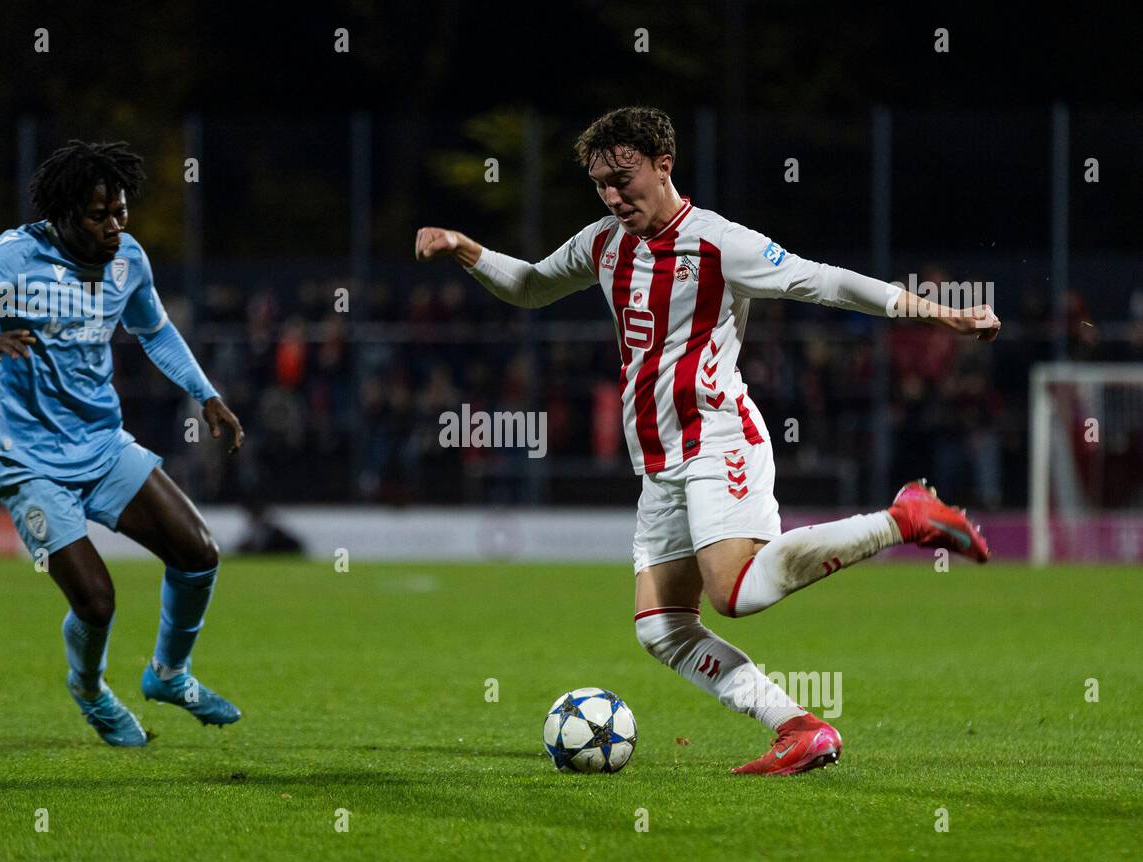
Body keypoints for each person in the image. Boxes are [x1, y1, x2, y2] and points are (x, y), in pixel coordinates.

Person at [415, 107, 1000, 775]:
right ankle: (798, 727)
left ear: (665, 165)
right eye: (601, 183)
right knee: (660, 628)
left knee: (736, 593)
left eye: (624, 178)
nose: (613, 196)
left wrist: (943, 313)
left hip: (717, 436)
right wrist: (465, 248)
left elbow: (824, 281)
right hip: (659, 462)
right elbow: (528, 286)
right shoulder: (603, 243)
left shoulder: (720, 243)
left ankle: (904, 519)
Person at [0, 140, 246, 747]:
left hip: (100, 444)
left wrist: (206, 394)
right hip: (26, 458)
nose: (115, 226)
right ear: (65, 214)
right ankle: (90, 690)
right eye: (100, 215)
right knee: (97, 601)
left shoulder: (128, 260)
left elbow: (157, 332)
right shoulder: (15, 255)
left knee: (198, 551)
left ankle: (169, 674)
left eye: (121, 211)